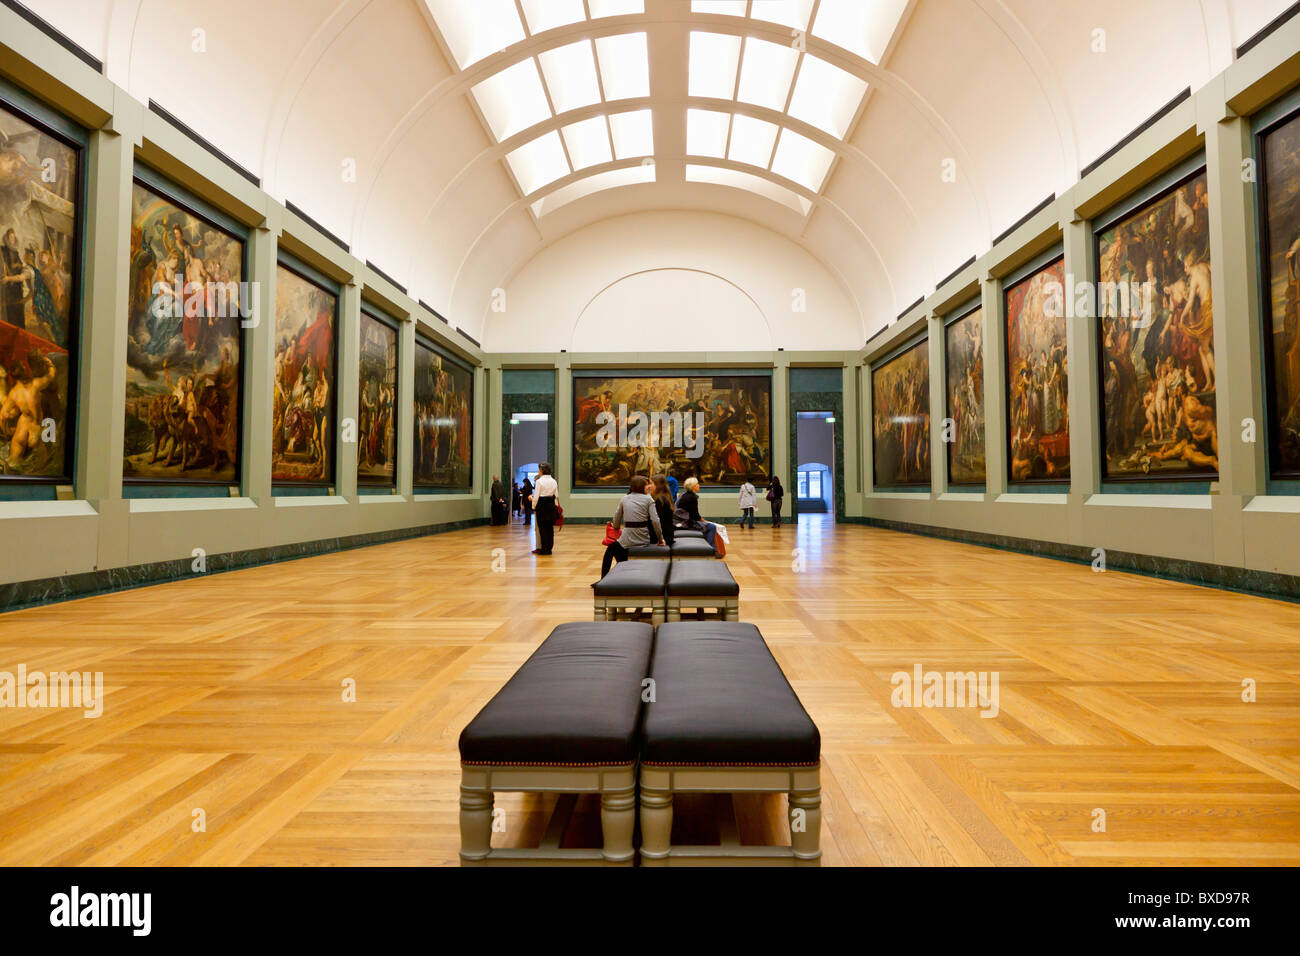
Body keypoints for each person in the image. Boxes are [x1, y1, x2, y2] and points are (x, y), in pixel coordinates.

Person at [600, 475, 665, 577]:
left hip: (627, 538)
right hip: (643, 538)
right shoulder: (649, 499)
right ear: (641, 487)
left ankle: (604, 578)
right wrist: (660, 539)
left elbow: (616, 519)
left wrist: (616, 527)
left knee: (611, 548)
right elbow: (655, 521)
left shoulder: (624, 499)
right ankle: (625, 572)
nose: (648, 487)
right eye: (646, 485)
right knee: (617, 548)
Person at [530, 463, 558, 555]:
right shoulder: (554, 481)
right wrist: (557, 507)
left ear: (542, 470)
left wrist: (533, 506)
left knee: (542, 528)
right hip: (551, 505)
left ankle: (544, 549)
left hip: (542, 506)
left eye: (539, 470)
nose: (539, 471)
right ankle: (549, 548)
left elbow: (536, 496)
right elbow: (556, 495)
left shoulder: (539, 481)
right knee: (550, 528)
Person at [650, 474, 676, 548]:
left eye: (651, 483)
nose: (649, 486)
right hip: (667, 535)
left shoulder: (659, 500)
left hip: (662, 538)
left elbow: (658, 522)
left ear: (657, 485)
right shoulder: (665, 497)